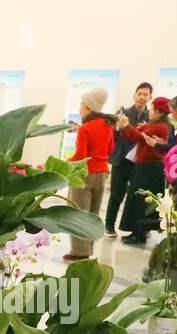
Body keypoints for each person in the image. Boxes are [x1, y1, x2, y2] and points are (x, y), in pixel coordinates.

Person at [63, 88, 115, 261]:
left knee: (78, 212)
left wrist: (65, 162)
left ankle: (79, 251)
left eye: (81, 104)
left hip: (84, 174)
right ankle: (89, 249)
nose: (79, 108)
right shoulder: (108, 126)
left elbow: (81, 156)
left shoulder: (85, 128)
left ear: (89, 107)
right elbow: (111, 149)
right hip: (101, 174)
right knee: (92, 214)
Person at [117, 97, 174, 246]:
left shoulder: (160, 127)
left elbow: (139, 137)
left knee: (141, 201)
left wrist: (127, 125)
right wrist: (129, 127)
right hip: (145, 166)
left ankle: (139, 233)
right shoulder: (156, 124)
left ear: (159, 112)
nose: (149, 111)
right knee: (138, 199)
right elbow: (137, 134)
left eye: (153, 109)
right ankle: (137, 231)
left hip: (150, 168)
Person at [104, 82, 152, 238]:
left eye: (146, 94)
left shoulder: (151, 116)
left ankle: (138, 229)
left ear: (150, 97)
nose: (142, 97)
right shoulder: (123, 112)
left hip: (140, 162)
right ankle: (109, 226)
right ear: (134, 95)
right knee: (116, 194)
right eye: (140, 94)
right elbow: (112, 133)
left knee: (138, 196)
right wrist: (118, 124)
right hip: (121, 160)